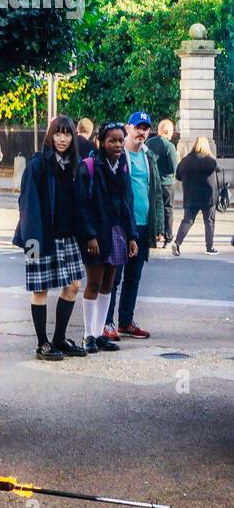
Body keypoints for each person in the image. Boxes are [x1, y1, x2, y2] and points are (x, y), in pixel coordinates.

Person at [12, 117, 87, 361]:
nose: (62, 139)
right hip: (41, 236)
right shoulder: (38, 165)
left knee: (74, 285)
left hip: (68, 236)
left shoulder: (73, 165)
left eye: (67, 134)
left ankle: (59, 339)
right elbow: (27, 205)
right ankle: (42, 344)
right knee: (40, 289)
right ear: (50, 135)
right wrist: (31, 244)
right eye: (58, 134)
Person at [104, 112, 163, 341]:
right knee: (114, 277)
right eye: (138, 127)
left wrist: (159, 224)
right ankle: (106, 322)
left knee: (134, 277)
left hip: (143, 225)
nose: (141, 132)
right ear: (128, 128)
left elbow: (156, 192)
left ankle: (126, 321)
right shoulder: (119, 155)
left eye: (145, 128)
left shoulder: (149, 157)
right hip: (120, 226)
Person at [79, 123, 138, 354]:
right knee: (94, 283)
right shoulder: (90, 167)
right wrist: (90, 236)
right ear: (101, 142)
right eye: (112, 140)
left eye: (120, 141)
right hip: (97, 232)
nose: (117, 145)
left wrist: (132, 235)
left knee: (109, 285)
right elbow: (83, 205)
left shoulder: (122, 166)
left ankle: (99, 333)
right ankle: (87, 336)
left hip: (118, 232)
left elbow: (128, 203)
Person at [173, 136, 220, 256]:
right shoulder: (210, 160)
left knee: (187, 220)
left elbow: (178, 176)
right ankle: (209, 248)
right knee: (209, 221)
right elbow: (217, 169)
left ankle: (177, 242)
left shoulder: (184, 161)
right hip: (208, 197)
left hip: (190, 196)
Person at [145, 118, 178, 247]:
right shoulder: (169, 146)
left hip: (152, 181)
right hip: (166, 182)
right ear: (168, 131)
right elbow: (173, 167)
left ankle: (154, 233)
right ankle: (167, 236)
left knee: (152, 207)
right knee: (167, 209)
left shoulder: (149, 142)